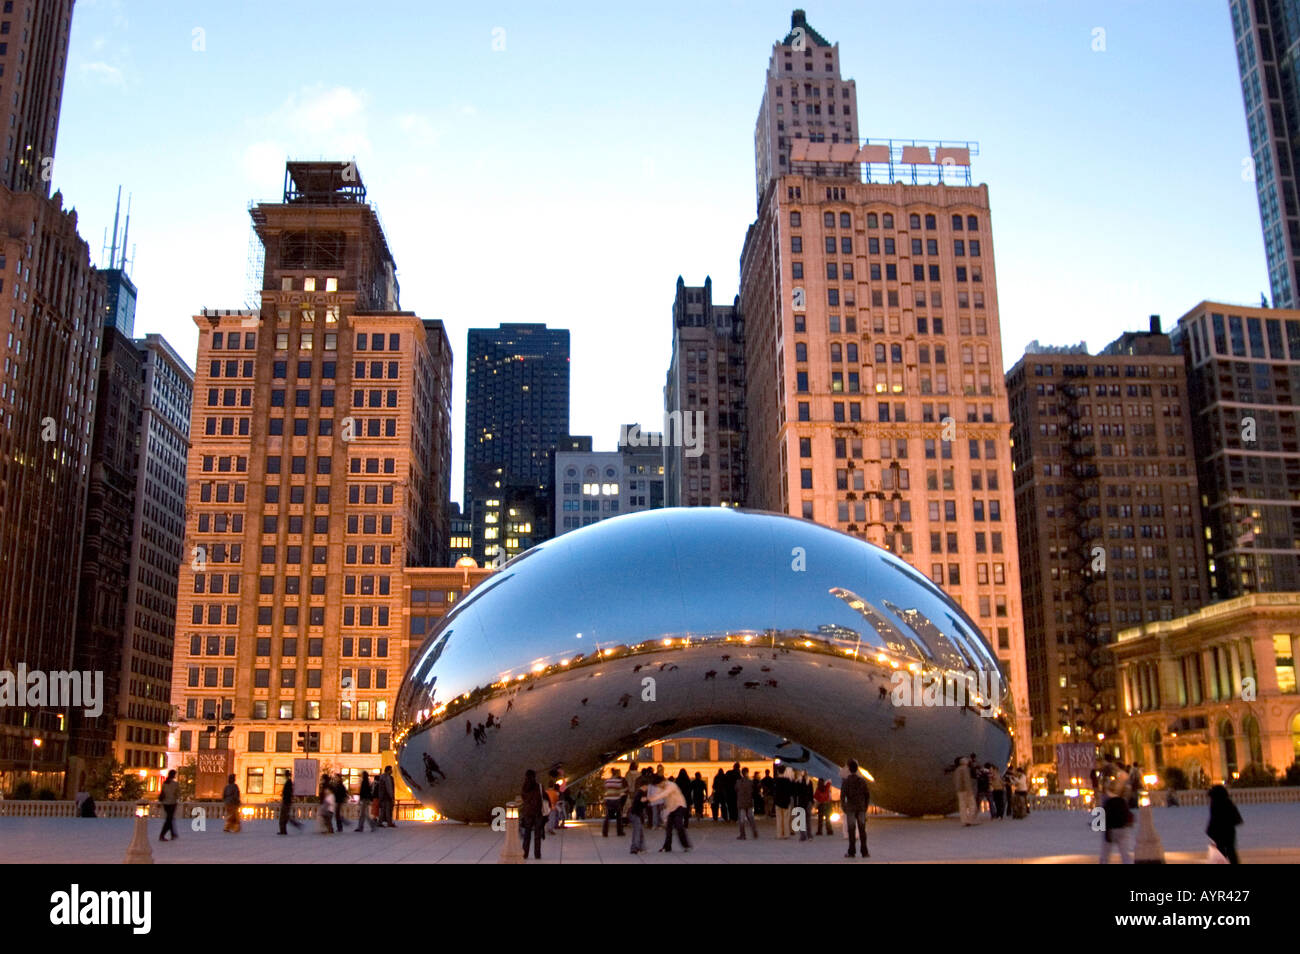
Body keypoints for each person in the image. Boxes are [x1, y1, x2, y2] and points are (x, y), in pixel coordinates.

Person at [648, 773, 691, 852]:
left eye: (659, 785)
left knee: (678, 825)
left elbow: (664, 794)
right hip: (671, 809)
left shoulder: (671, 785)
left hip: (680, 806)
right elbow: (657, 794)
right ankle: (667, 847)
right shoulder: (660, 787)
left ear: (662, 781)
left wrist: (651, 799)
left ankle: (686, 845)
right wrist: (651, 798)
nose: (659, 787)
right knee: (668, 828)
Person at [1099, 769, 1135, 864]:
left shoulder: (1107, 800)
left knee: (1105, 854)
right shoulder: (1122, 800)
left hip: (1111, 829)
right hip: (1123, 828)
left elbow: (1103, 815)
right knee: (1126, 854)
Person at [1206, 784, 1243, 864]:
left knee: (1222, 852)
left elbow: (1214, 819)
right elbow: (1237, 819)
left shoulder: (1215, 804)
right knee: (1230, 852)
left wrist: (1210, 831)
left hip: (1219, 833)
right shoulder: (1228, 803)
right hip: (1229, 832)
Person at [841, 761, 870, 858]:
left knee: (851, 830)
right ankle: (864, 852)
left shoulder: (846, 781)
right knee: (862, 830)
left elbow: (843, 796)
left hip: (851, 808)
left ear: (849, 769)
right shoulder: (862, 781)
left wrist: (844, 807)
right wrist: (865, 807)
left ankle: (851, 851)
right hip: (861, 808)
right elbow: (867, 795)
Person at [520, 770, 544, 860]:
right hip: (537, 813)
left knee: (527, 834)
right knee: (537, 835)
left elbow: (523, 798)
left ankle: (525, 853)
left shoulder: (524, 787)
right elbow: (544, 798)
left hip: (527, 813)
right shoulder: (539, 787)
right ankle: (537, 854)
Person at [627, 773, 649, 854]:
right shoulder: (641, 793)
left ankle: (641, 847)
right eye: (647, 786)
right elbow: (642, 801)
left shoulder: (639, 792)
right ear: (644, 786)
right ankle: (634, 848)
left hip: (635, 814)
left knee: (640, 831)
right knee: (637, 831)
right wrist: (648, 799)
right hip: (635, 814)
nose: (647, 788)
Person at [734, 766, 758, 839]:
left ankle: (743, 834)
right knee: (751, 818)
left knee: (742, 819)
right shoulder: (750, 782)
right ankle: (754, 832)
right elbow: (753, 791)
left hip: (741, 802)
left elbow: (736, 789)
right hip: (749, 802)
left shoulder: (738, 782)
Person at [602, 767, 626, 837]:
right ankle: (619, 831)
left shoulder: (607, 781)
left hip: (608, 799)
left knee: (608, 816)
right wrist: (625, 790)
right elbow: (619, 790)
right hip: (616, 799)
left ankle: (605, 832)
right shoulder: (618, 781)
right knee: (619, 815)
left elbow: (605, 789)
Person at [953, 757, 977, 826]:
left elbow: (956, 781)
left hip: (959, 790)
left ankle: (964, 820)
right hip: (966, 790)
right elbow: (966, 780)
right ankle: (970, 819)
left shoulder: (957, 770)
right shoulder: (965, 769)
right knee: (972, 805)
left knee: (962, 806)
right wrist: (969, 790)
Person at [158, 769, 180, 842]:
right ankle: (162, 835)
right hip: (172, 803)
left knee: (169, 819)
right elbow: (177, 794)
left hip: (165, 803)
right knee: (169, 820)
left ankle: (172, 834)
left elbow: (162, 793)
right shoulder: (175, 784)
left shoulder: (165, 783)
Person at [773, 766, 794, 838]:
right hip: (786, 802)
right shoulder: (787, 781)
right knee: (786, 819)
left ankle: (779, 834)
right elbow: (790, 792)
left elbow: (774, 792)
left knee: (779, 819)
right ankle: (786, 834)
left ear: (778, 772)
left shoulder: (776, 781)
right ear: (784, 771)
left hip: (778, 802)